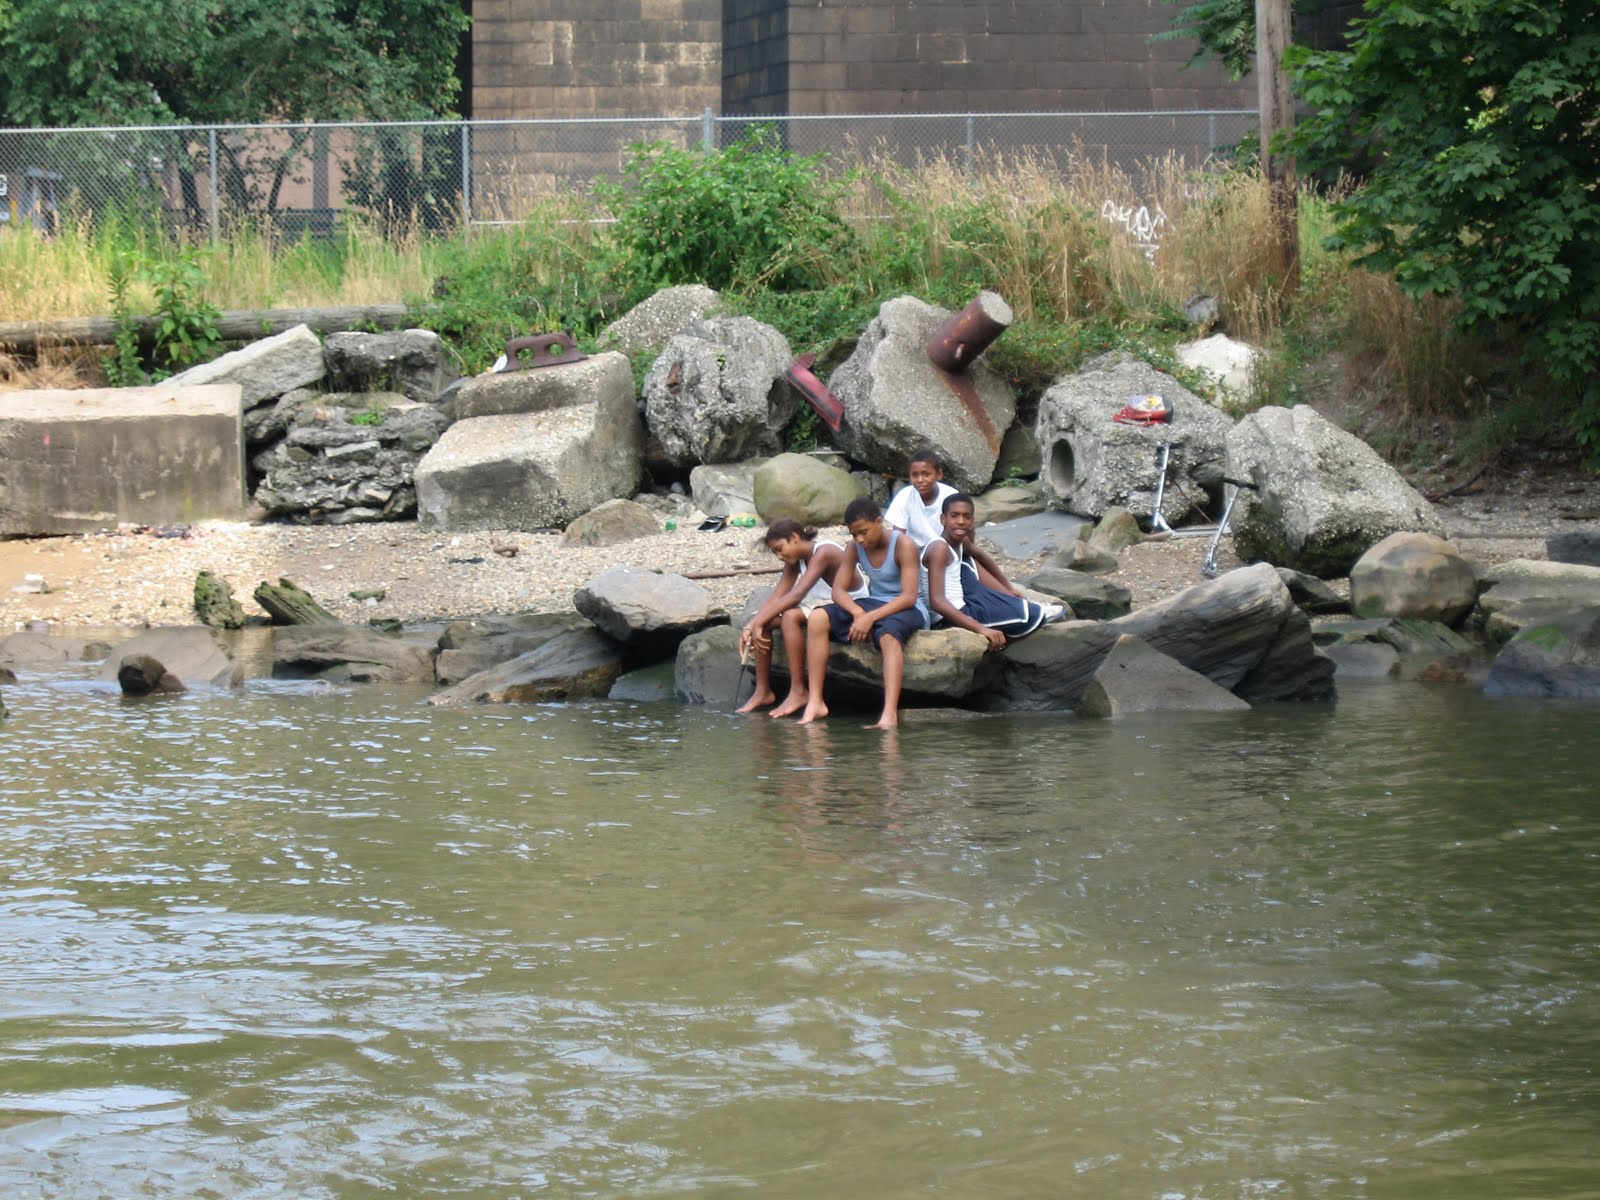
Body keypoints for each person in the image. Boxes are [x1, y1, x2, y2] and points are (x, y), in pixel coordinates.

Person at [797, 496, 930, 731]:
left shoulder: (903, 545)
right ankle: (816, 701)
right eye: (854, 534)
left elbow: (909, 597)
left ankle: (889, 714)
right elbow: (838, 591)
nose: (860, 539)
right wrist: (858, 612)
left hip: (907, 607)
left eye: (864, 532)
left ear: (879, 522)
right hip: (873, 603)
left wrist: (869, 618)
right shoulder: (854, 548)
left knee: (888, 636)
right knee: (818, 618)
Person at [736, 519, 862, 717]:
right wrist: (752, 625)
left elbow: (796, 595)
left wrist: (758, 621)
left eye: (780, 549)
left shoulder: (824, 552)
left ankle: (798, 690)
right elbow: (779, 594)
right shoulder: (794, 560)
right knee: (766, 622)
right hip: (820, 604)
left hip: (849, 604)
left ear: (794, 538)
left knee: (790, 616)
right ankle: (763, 690)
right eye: (775, 553)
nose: (779, 556)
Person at [922, 493, 1063, 648]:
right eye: (954, 516)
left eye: (966, 517)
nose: (961, 522)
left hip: (965, 598)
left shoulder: (960, 540)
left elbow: (981, 556)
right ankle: (1025, 614)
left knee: (969, 560)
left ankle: (1013, 603)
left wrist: (1009, 588)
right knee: (1033, 615)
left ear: (972, 521)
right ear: (943, 519)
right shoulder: (939, 548)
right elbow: (937, 602)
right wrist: (981, 629)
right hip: (949, 617)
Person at [882, 447, 958, 548]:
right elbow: (898, 537)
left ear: (939, 475)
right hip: (913, 551)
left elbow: (963, 530)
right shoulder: (904, 496)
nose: (920, 480)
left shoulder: (952, 497)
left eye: (926, 474)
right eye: (915, 475)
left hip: (944, 551)